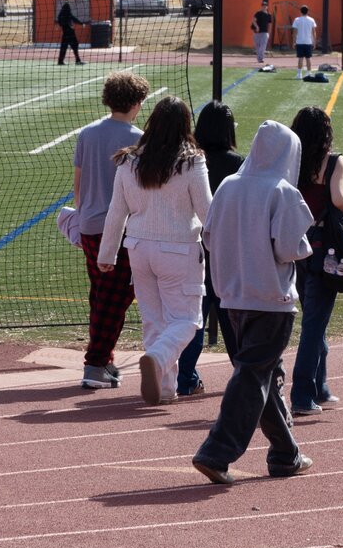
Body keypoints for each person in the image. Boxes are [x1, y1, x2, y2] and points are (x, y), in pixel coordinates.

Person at [191, 121, 318, 484]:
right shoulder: (283, 192)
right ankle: (217, 451)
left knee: (261, 374)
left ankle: (285, 453)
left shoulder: (229, 185)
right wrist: (304, 246)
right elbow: (288, 248)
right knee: (252, 374)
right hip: (270, 298)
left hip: (232, 296)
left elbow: (210, 236)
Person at [98, 95, 212, 406]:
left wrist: (106, 255)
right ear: (184, 125)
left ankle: (164, 388)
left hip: (138, 249)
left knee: (155, 319)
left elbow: (116, 211)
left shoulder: (129, 160)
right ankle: (159, 359)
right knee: (188, 319)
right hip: (179, 249)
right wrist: (223, 247)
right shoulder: (191, 161)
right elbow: (207, 211)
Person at [73, 71, 150, 390]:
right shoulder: (137, 138)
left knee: (101, 294)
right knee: (115, 297)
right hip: (120, 229)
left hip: (89, 224)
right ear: (135, 103)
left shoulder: (87, 133)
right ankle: (95, 363)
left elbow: (77, 183)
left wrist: (80, 216)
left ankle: (104, 359)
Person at [177, 101, 245, 394]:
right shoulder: (238, 163)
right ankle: (244, 376)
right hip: (228, 252)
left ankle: (185, 379)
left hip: (194, 248)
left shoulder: (188, 161)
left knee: (194, 319)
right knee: (233, 321)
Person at [289, 106, 343, 415]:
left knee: (315, 318)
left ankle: (319, 385)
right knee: (314, 324)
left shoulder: (290, 161)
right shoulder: (333, 162)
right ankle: (301, 393)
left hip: (294, 247)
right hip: (323, 250)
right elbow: (338, 199)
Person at [55, 0, 83, 66]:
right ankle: (77, 61)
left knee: (65, 45)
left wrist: (60, 24)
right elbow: (70, 17)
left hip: (66, 29)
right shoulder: (66, 6)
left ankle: (60, 61)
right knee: (74, 44)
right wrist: (80, 23)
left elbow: (61, 17)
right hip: (68, 30)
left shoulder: (66, 6)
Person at [292, 4, 318, 79]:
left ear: (300, 11)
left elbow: (294, 32)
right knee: (308, 58)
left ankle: (299, 74)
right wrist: (314, 42)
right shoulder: (311, 20)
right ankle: (308, 73)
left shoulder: (297, 20)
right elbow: (314, 32)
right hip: (308, 42)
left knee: (300, 58)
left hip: (299, 42)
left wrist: (293, 42)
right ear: (307, 11)